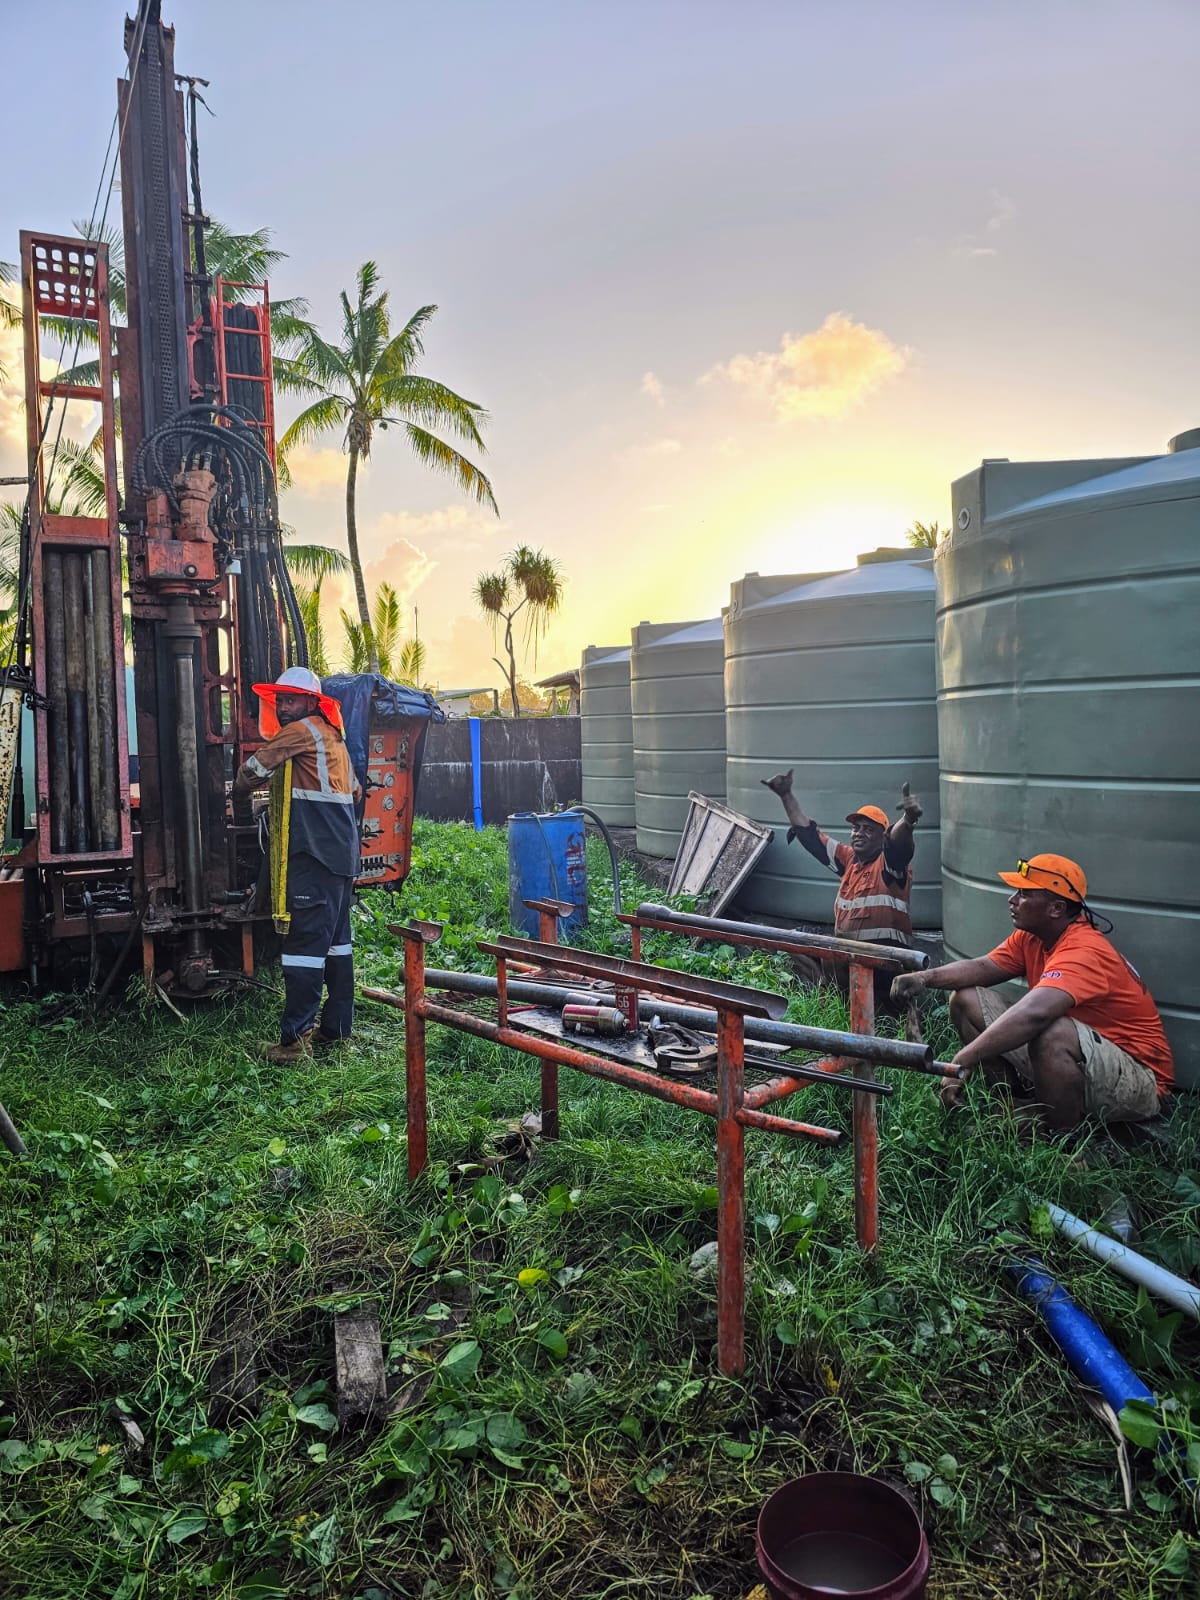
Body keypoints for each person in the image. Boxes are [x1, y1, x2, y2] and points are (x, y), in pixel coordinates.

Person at [890, 853, 1174, 1132]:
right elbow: (984, 966)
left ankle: (1063, 1141)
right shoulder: (1033, 937)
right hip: (1090, 1061)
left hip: (1139, 1081)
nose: (1012, 899)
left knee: (1052, 1031)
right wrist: (925, 977)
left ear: (1056, 909)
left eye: (1024, 893)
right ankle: (1012, 1100)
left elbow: (1035, 1015)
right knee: (965, 999)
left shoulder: (1084, 950)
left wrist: (961, 1059)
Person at [233, 666, 362, 1064]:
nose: (283, 705)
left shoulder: (301, 731)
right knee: (337, 947)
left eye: (290, 699)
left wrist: (238, 799)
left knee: (303, 949)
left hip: (314, 854)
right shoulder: (333, 738)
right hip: (342, 856)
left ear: (311, 702)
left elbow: (249, 772)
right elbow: (355, 792)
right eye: (279, 699)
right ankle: (335, 1032)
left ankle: (293, 1042)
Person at [760, 771, 923, 948]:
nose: (859, 833)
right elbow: (811, 838)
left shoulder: (889, 864)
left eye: (868, 829)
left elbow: (899, 844)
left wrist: (908, 819)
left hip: (886, 963)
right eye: (856, 828)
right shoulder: (849, 860)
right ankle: (824, 977)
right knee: (791, 944)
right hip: (848, 959)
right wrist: (786, 795)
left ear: (882, 838)